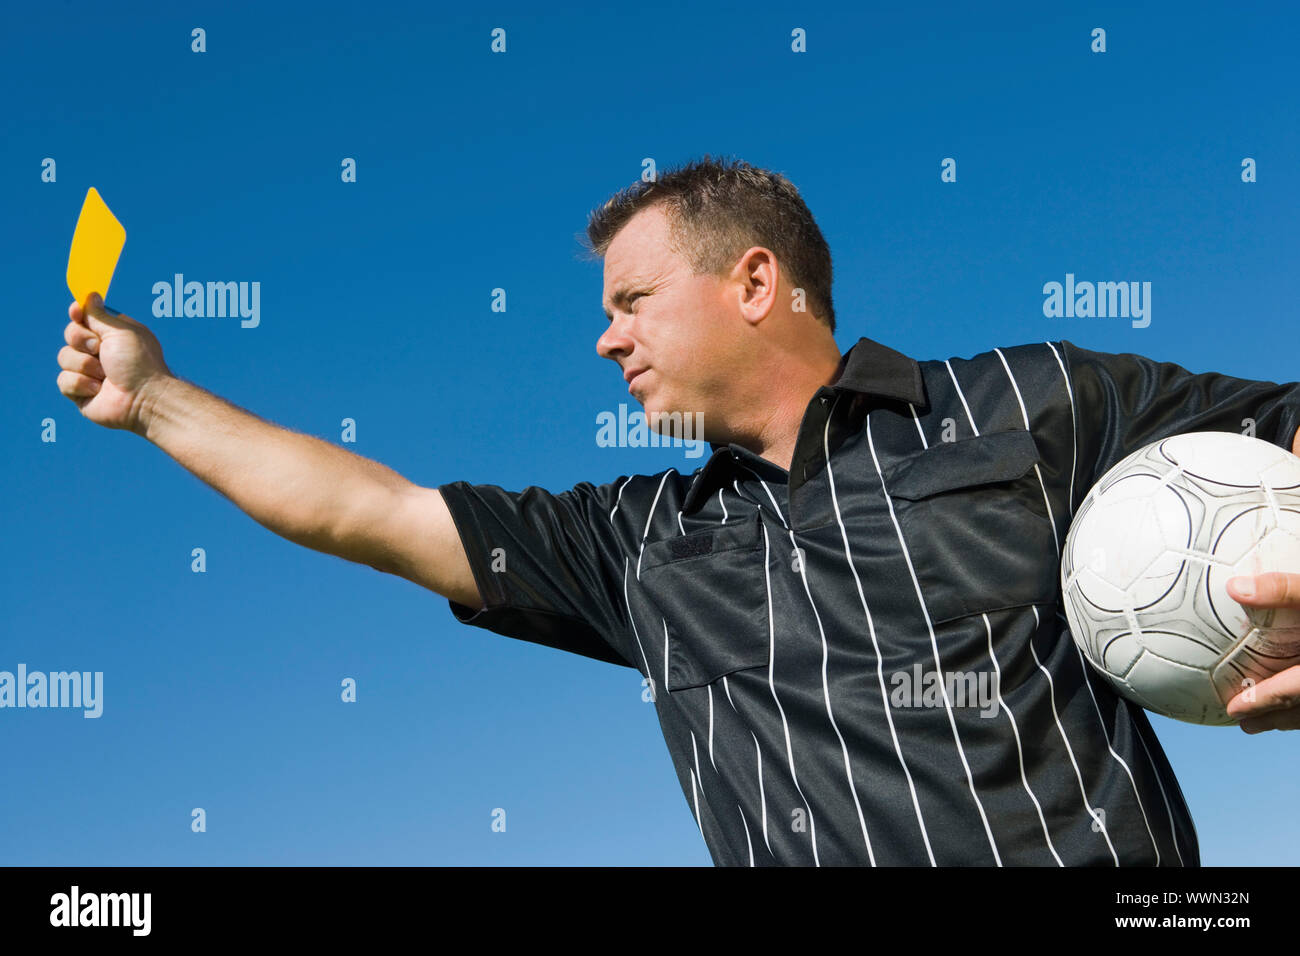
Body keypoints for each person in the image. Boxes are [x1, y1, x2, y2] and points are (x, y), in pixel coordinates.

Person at [55, 156, 1300, 866]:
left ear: (755, 280)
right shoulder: (636, 540)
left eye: (632, 299)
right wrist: (156, 398)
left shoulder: (1027, 402)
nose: (605, 340)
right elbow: (369, 509)